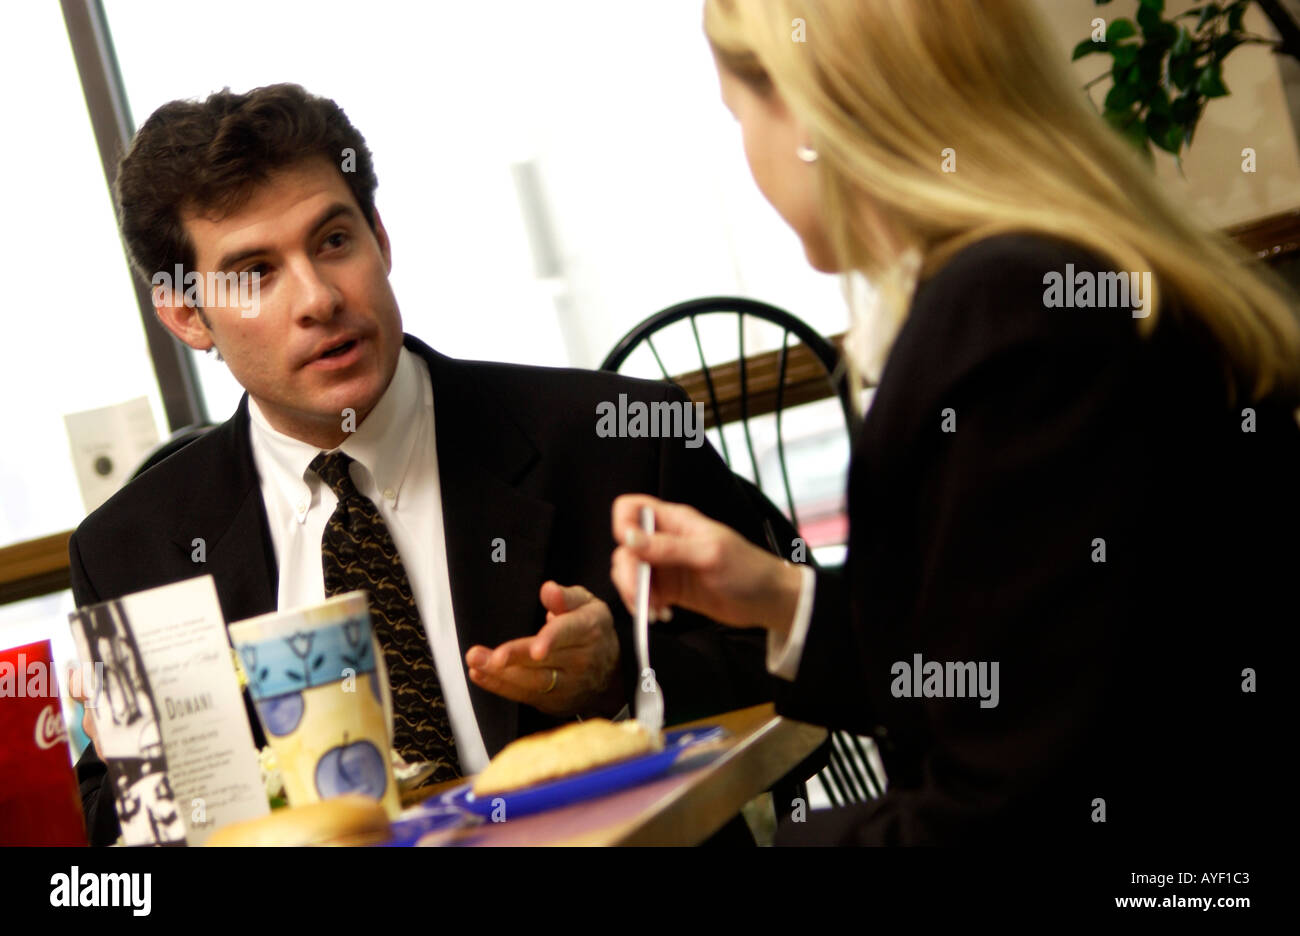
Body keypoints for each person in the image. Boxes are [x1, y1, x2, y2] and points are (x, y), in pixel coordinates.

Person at [610, 0, 1300, 845]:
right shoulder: (1050, 279)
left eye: (737, 114)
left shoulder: (1010, 321)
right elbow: (1026, 678)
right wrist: (782, 599)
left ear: (811, 108)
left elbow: (1013, 814)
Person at [70, 83, 786, 846]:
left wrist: (620, 681)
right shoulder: (131, 552)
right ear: (185, 315)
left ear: (380, 237)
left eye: (334, 241)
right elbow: (111, 825)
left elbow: (800, 682)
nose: (318, 297)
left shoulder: (614, 438)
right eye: (255, 274)